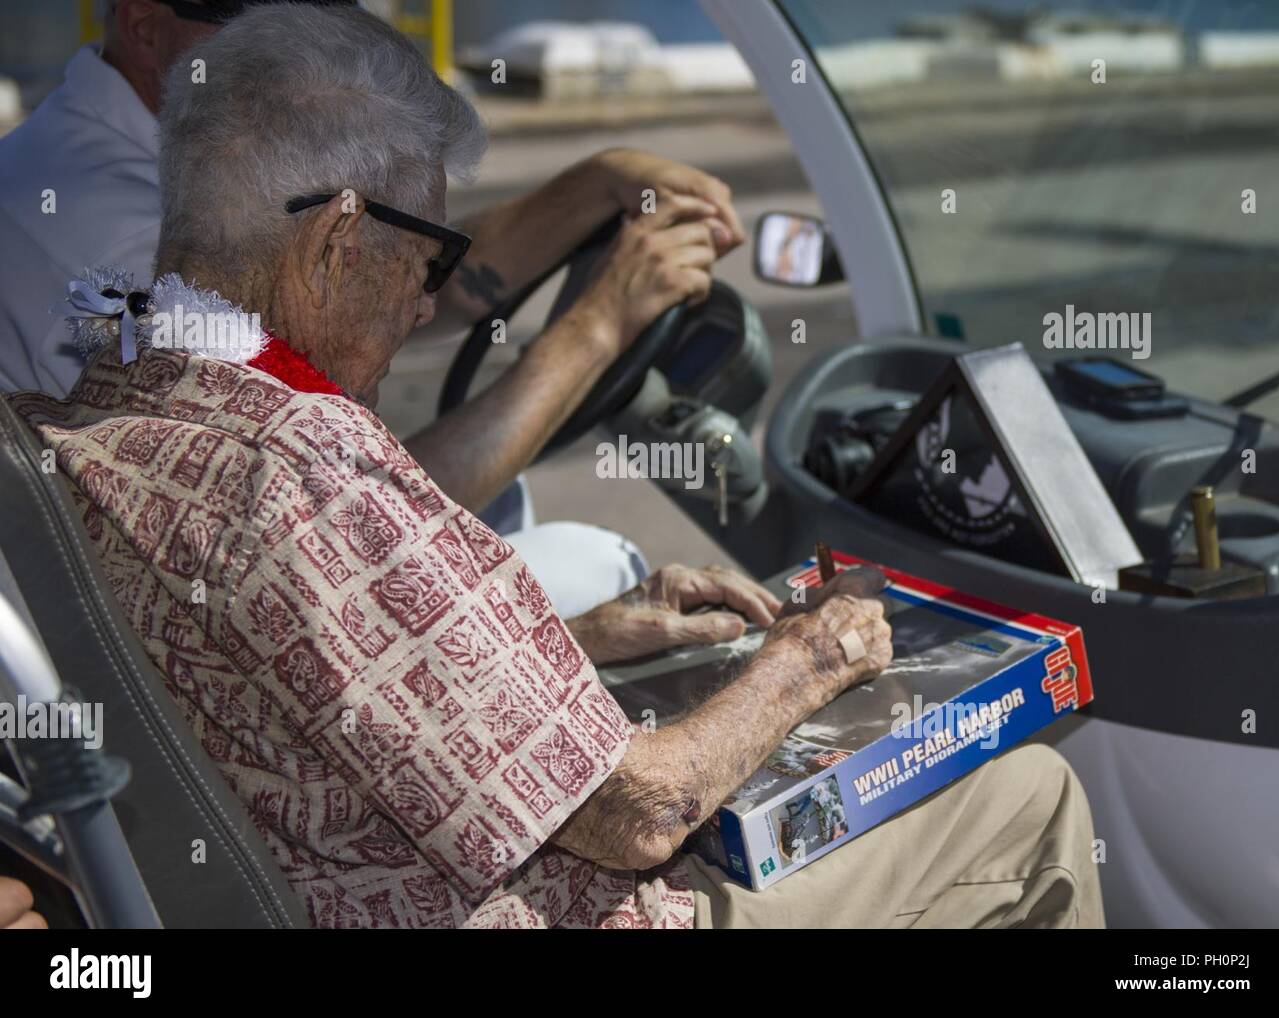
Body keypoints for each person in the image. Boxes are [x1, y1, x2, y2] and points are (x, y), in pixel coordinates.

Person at [8, 4, 1103, 929]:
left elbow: (304, 671)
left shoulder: (106, 405)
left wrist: (575, 639)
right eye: (428, 255)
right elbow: (643, 812)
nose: (429, 299)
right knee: (1027, 794)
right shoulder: (314, 470)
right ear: (340, 242)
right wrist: (817, 657)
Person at [0, 0, 747, 618]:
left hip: (218, 578)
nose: (304, 30)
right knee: (599, 560)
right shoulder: (108, 236)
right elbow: (341, 527)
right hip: (211, 619)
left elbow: (394, 270)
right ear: (142, 22)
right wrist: (599, 328)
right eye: (264, 9)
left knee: (508, 503)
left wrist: (588, 187)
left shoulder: (142, 148)